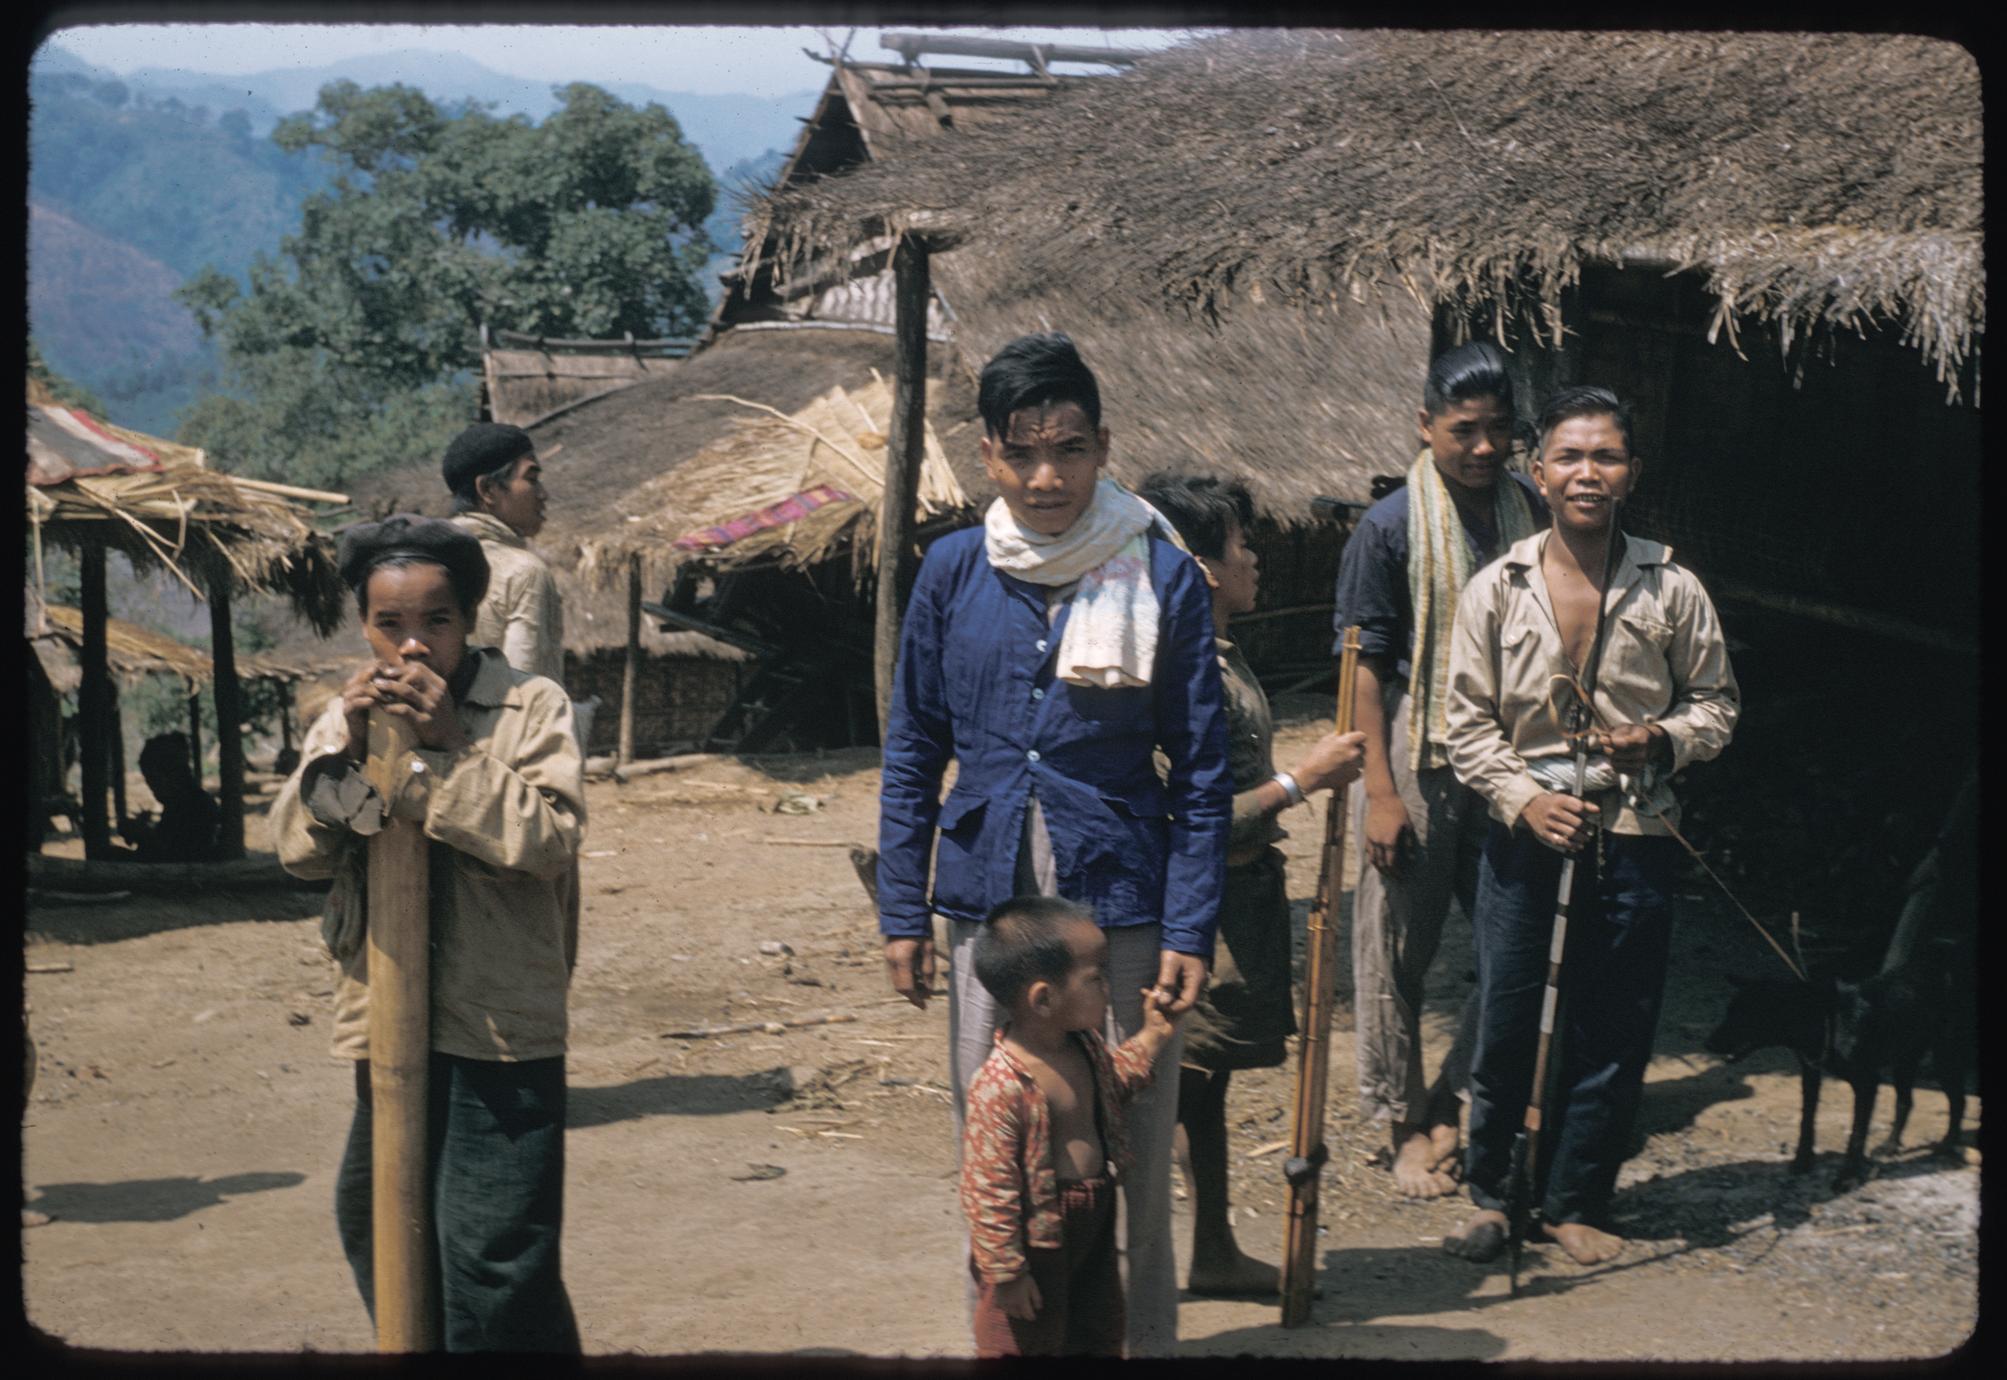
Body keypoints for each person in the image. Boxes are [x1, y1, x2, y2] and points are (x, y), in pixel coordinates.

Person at [877, 333, 1232, 1355]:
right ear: (987, 454)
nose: (1046, 478)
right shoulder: (952, 572)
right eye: (1022, 453)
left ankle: (1142, 1345)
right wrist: (901, 911)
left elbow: (1200, 772)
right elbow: (913, 750)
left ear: (1103, 447)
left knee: (1130, 1145)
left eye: (1069, 450)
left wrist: (1190, 930)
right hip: (985, 896)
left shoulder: (1160, 573)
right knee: (994, 1142)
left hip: (1122, 895)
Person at [270, 513, 586, 1352]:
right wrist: (351, 751)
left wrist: (446, 750)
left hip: (500, 1027)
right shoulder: (347, 716)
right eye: (390, 624)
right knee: (375, 1216)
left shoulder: (527, 706)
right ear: (363, 625)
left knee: (494, 1253)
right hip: (387, 1019)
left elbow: (549, 841)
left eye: (436, 621)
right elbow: (298, 851)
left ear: (470, 619)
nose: (413, 646)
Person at [1440, 385, 1738, 1267]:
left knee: (1614, 1023)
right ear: (1536, 473)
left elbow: (1716, 705)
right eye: (1568, 457)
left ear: (1631, 473)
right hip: (1525, 832)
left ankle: (1574, 1201)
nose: (1586, 473)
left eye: (1605, 457)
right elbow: (1465, 725)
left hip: (1635, 829)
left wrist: (1661, 739)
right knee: (1507, 1017)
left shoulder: (1672, 586)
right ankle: (1494, 1197)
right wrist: (1523, 800)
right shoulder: (1497, 588)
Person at [1136, 471, 1365, 1297]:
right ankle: (1131, 1258)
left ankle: (1210, 1249)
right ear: (1200, 568)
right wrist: (1302, 781)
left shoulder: (1221, 658)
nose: (1255, 558)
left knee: (1204, 1085)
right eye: (1240, 543)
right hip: (1202, 911)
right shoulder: (1175, 669)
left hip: (1242, 902)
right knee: (1175, 1082)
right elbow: (1185, 820)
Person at [1329, 341, 1546, 1198]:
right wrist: (1380, 795)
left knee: (1513, 941)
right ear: (1425, 426)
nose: (1483, 447)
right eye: (1464, 430)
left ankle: (1451, 1097)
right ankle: (1401, 1124)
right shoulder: (1389, 528)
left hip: (1514, 755)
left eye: (1498, 429)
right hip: (1417, 758)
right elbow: (1362, 668)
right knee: (1394, 952)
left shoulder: (1530, 509)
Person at [963, 896, 1184, 1357]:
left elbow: (1113, 1085)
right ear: (1043, 998)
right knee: (1025, 1340)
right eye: (1095, 977)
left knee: (1096, 1330)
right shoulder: (1000, 1085)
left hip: (1093, 1218)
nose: (1108, 987)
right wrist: (1007, 1273)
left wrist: (1152, 1037)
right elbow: (989, 1188)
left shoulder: (1083, 1046)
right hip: (1034, 1238)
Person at [442, 423, 599, 747]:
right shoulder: (525, 572)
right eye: (532, 478)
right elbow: (522, 696)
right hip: (506, 755)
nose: (543, 494)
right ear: (488, 490)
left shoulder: (430, 562)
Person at [120, 732, 221, 862]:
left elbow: (175, 857)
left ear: (169, 775)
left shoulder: (195, 806)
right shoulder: (179, 803)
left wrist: (143, 835)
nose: (150, 786)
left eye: (152, 779)